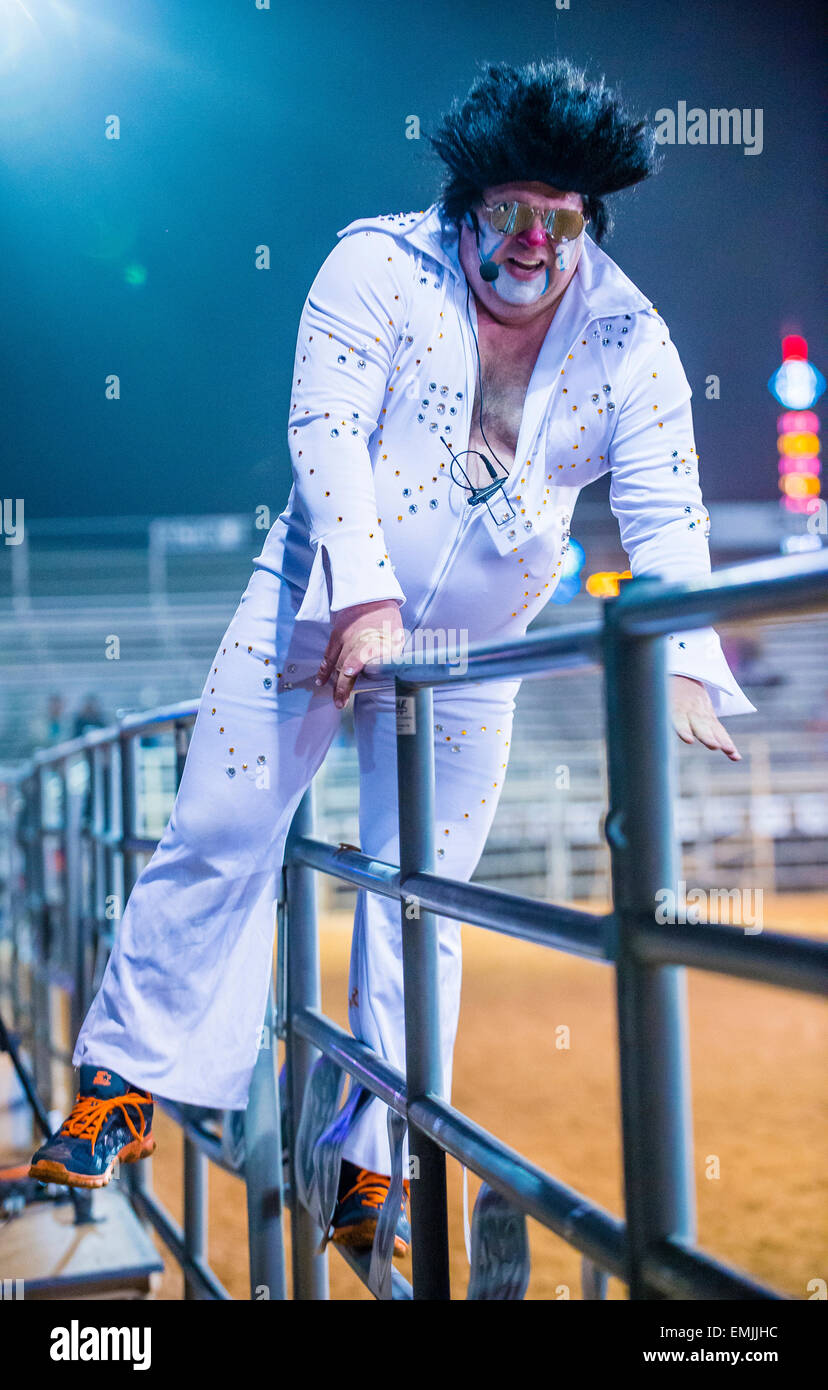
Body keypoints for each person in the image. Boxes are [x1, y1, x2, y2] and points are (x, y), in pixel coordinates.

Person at [30, 58, 756, 1258]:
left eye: (560, 221)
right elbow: (326, 432)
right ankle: (124, 1086)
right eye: (511, 214)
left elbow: (668, 510)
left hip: (476, 651)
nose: (533, 243)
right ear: (467, 206)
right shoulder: (371, 262)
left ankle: (370, 1163)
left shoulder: (632, 334)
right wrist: (361, 597)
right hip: (311, 599)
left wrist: (683, 653)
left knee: (421, 901)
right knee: (218, 823)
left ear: (590, 224)